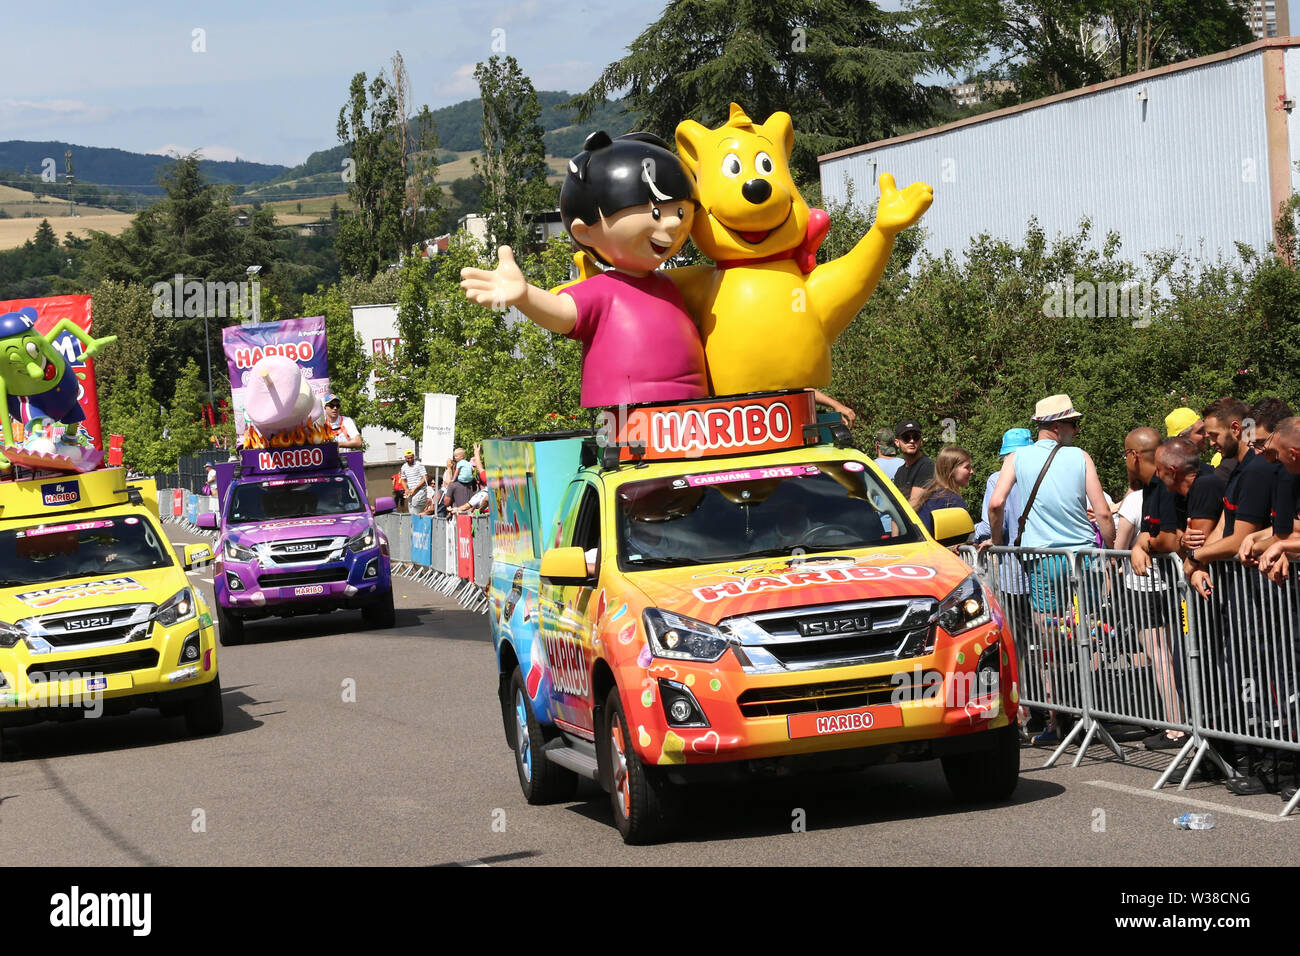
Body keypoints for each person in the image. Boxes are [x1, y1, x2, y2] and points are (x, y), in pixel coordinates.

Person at [461, 131, 705, 408]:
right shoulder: (603, 291)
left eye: (681, 213)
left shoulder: (669, 286)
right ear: (585, 232)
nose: (673, 224)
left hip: (697, 411)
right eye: (657, 213)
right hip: (628, 414)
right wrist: (525, 295)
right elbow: (564, 314)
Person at [989, 394, 1112, 745]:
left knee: (1051, 644)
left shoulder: (1016, 457)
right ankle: (1089, 714)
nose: (1077, 430)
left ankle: (1060, 721)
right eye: (1074, 423)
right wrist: (1113, 551)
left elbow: (996, 503)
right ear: (1057, 426)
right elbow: (1102, 514)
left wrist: (999, 543)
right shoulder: (1080, 457)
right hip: (1082, 560)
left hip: (1042, 561)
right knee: (1085, 636)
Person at [913, 445, 972, 539]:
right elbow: (960, 540)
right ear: (951, 470)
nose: (971, 471)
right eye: (967, 467)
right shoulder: (952, 501)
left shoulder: (927, 496)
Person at [891, 418, 934, 509]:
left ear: (920, 441)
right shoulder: (900, 472)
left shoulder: (927, 466)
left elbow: (914, 504)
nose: (912, 441)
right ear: (897, 442)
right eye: (906, 438)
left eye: (916, 437)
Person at [399, 449, 428, 514]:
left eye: (411, 457)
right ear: (405, 458)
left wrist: (415, 489)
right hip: (410, 492)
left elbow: (425, 478)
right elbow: (403, 480)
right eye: (408, 458)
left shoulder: (419, 464)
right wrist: (406, 489)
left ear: (413, 457)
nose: (410, 459)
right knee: (411, 511)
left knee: (416, 508)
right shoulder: (404, 467)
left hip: (420, 491)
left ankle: (418, 523)